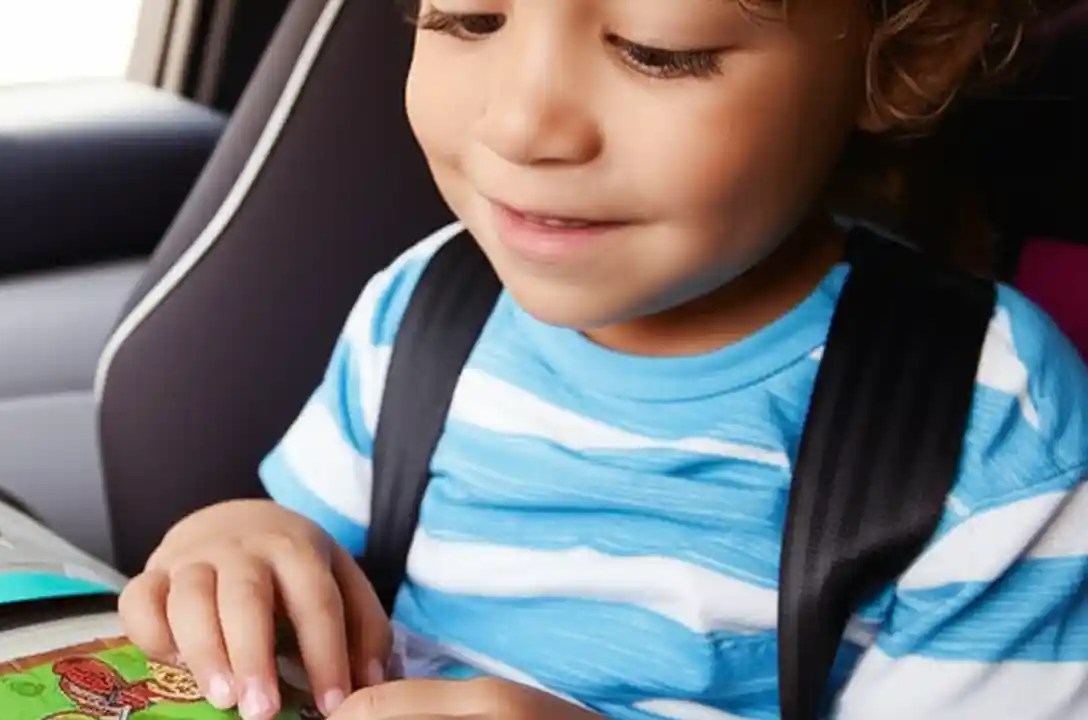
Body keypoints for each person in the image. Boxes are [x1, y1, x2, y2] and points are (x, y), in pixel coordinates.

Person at [118, 1, 1088, 718]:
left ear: (901, 56)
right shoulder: (423, 307)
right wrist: (240, 547)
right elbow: (306, 565)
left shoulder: (989, 420)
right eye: (464, 18)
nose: (522, 125)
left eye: (656, 51)